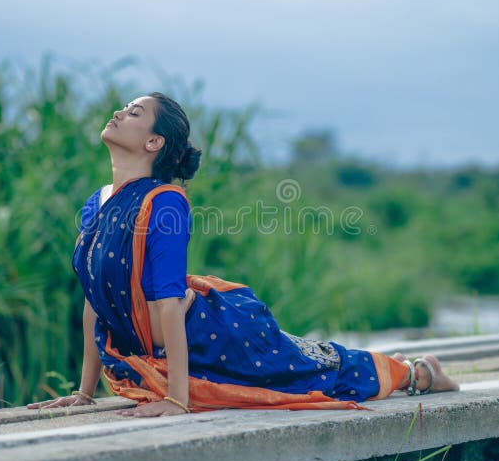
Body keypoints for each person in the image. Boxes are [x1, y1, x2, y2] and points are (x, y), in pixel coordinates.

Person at [27, 93, 459, 417]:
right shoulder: (97, 203)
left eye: (134, 112)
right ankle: (409, 369)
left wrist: (177, 400)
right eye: (124, 108)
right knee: (309, 364)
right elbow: (95, 301)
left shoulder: (164, 202)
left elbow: (168, 303)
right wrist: (83, 393)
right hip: (173, 350)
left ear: (154, 142)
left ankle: (417, 373)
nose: (119, 112)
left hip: (216, 338)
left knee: (313, 373)